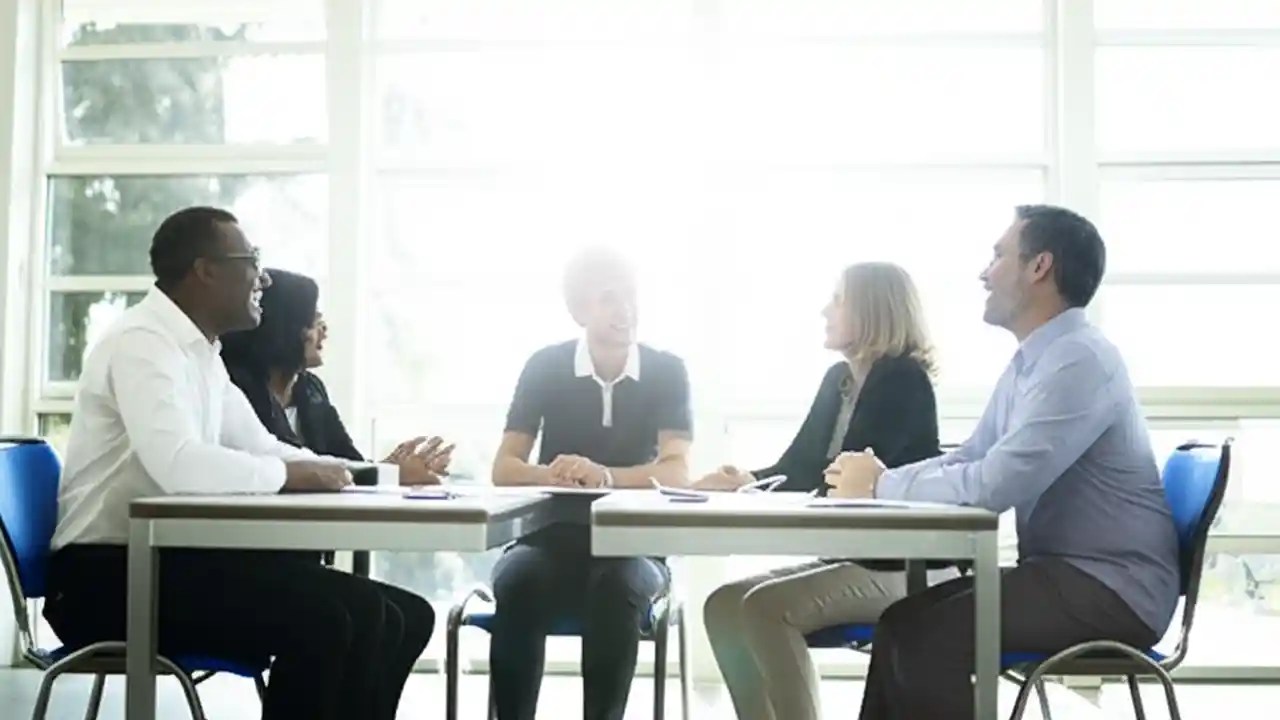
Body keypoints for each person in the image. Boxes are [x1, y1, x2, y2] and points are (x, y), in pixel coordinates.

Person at [43, 207, 435, 720]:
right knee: (332, 618)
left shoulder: (202, 352)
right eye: (252, 260)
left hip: (171, 562)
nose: (263, 277)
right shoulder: (143, 343)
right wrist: (290, 476)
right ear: (205, 270)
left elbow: (264, 447)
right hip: (105, 579)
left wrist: (369, 477)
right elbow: (178, 465)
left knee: (404, 614)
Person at [825, 205, 1180, 720]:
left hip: (1110, 589)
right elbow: (974, 456)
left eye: (998, 256)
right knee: (901, 623)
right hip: (1066, 575)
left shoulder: (1078, 361)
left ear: (1039, 267)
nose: (984, 273)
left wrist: (880, 486)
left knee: (926, 636)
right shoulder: (1033, 362)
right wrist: (884, 481)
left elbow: (994, 485)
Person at [699, 261, 941, 720]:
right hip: (854, 560)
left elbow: (842, 477)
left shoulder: (901, 379)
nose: (825, 310)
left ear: (872, 309)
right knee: (723, 606)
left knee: (765, 609)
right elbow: (801, 466)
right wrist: (746, 481)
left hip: (907, 569)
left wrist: (762, 487)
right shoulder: (840, 381)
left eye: (838, 299)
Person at [488, 247, 693, 720]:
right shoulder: (545, 365)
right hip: (547, 540)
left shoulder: (667, 370)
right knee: (517, 580)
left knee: (615, 585)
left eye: (631, 297)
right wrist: (555, 473)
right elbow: (505, 466)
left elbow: (676, 470)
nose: (626, 310)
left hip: (636, 547)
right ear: (580, 310)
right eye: (609, 299)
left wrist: (604, 477)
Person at [220, 267, 452, 485]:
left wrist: (389, 469)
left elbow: (342, 464)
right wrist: (391, 474)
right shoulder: (237, 388)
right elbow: (293, 467)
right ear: (283, 329)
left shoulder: (310, 389)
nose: (324, 330)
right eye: (314, 321)